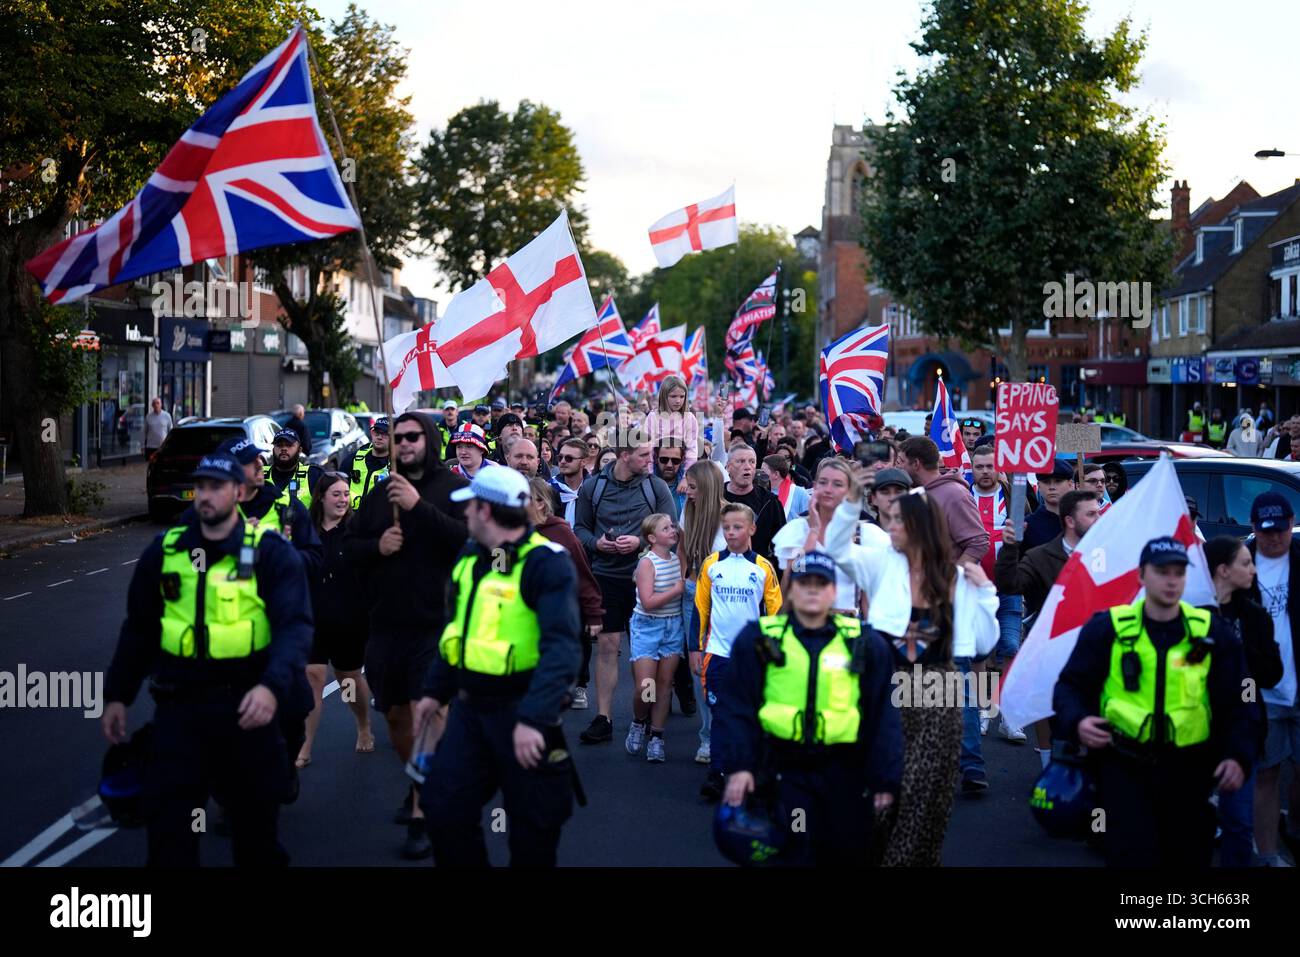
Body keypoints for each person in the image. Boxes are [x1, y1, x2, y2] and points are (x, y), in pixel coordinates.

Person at [101, 451, 313, 866]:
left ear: (238, 491)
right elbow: (140, 628)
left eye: (216, 487)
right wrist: (117, 696)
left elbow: (294, 626)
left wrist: (272, 688)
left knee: (256, 840)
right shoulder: (166, 551)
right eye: (200, 486)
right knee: (168, 837)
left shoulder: (268, 553)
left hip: (248, 710)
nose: (205, 495)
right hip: (180, 711)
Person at [413, 467, 581, 867]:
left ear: (485, 510)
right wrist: (434, 691)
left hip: (522, 711)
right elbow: (457, 631)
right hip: (470, 710)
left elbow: (562, 649)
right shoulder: (472, 558)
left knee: (534, 828)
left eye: (469, 507)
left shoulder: (546, 563)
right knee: (444, 808)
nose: (465, 515)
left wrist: (533, 719)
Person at [1053, 536, 1256, 867]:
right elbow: (1069, 687)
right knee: (1130, 858)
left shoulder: (1212, 633)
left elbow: (1241, 701)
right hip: (1124, 769)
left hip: (1190, 773)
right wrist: (1078, 721)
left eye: (1179, 572)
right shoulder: (1108, 629)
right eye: (1162, 571)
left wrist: (1238, 756)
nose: (1172, 580)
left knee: (1187, 859)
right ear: (1141, 575)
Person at [823, 489, 999, 863]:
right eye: (889, 519)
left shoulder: (955, 576)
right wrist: (852, 501)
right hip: (886, 690)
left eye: (899, 520)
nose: (891, 527)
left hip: (940, 694)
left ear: (920, 526)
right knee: (880, 796)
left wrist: (986, 592)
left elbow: (983, 642)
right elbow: (836, 547)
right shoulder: (881, 563)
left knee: (924, 798)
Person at [714, 551, 903, 867]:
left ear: (833, 591)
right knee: (795, 851)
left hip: (845, 771)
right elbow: (738, 707)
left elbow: (883, 715)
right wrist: (739, 766)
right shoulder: (761, 638)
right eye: (804, 583)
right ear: (792, 589)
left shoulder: (863, 642)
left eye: (821, 583)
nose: (813, 590)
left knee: (847, 853)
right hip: (784, 771)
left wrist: (885, 778)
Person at [343, 412, 468, 859]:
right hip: (385, 624)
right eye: (397, 438)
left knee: (428, 714)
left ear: (430, 440)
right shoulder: (380, 495)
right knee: (395, 717)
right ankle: (420, 780)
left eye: (413, 436)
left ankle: (423, 812)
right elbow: (350, 549)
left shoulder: (453, 490)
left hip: (438, 623)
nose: (404, 443)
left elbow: (469, 541)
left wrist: (418, 507)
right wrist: (377, 547)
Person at [573, 442, 678, 745]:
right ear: (624, 456)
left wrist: (641, 544)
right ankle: (603, 717)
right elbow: (580, 529)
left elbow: (671, 531)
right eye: (644, 455)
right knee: (608, 646)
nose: (651, 460)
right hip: (605, 576)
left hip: (645, 575)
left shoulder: (655, 487)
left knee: (644, 651)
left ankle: (644, 714)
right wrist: (597, 544)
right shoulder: (593, 487)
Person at [997, 490, 1100, 768]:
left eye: (1099, 512)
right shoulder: (1041, 556)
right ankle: (1048, 766)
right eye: (1091, 514)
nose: (1099, 518)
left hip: (1094, 650)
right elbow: (1010, 585)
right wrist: (1009, 548)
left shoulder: (1106, 553)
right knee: (1050, 709)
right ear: (1069, 520)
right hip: (1050, 649)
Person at [690, 502, 783, 799]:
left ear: (752, 529)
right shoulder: (711, 564)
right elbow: (700, 610)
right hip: (717, 654)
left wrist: (772, 654)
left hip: (752, 658)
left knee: (754, 716)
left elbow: (774, 615)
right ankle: (717, 773)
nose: (731, 533)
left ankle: (751, 774)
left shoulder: (763, 568)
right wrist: (695, 647)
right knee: (721, 715)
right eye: (727, 527)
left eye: (738, 527)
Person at [1204, 535, 1282, 867]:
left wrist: (1238, 654)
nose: (1253, 569)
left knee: (1238, 825)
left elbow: (1271, 673)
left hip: (1241, 732)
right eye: (1245, 563)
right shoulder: (1192, 614)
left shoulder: (1254, 616)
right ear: (1223, 570)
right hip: (1195, 731)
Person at [297, 472, 375, 768]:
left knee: (348, 681)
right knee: (313, 678)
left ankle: (363, 723)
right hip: (313, 617)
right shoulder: (307, 530)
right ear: (321, 497)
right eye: (336, 494)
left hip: (350, 618)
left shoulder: (356, 531)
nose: (343, 499)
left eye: (346, 494)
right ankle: (304, 748)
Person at [1243, 493, 1300, 865]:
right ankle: (1265, 854)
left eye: (1280, 530)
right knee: (1266, 774)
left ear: (1291, 522)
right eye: (1266, 532)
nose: (1274, 538)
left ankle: (1294, 831)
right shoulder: (1237, 561)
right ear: (1253, 529)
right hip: (1260, 692)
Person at [527, 478, 604, 710]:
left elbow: (583, 575)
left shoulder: (563, 535)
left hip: (559, 616)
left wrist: (593, 614)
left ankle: (578, 685)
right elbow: (498, 570)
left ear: (541, 503)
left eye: (524, 499)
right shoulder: (511, 534)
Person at [969, 447, 1026, 744]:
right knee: (980, 654)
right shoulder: (964, 496)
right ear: (972, 468)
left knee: (1011, 649)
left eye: (990, 466)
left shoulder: (1014, 497)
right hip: (975, 589)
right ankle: (983, 709)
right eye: (979, 466)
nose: (985, 471)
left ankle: (1009, 716)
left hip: (1008, 587)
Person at [626, 513, 686, 762]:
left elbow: (685, 538)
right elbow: (648, 602)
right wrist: (676, 590)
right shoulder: (647, 563)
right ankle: (639, 721)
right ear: (652, 538)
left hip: (673, 626)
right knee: (645, 687)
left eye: (672, 526)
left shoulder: (676, 558)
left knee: (664, 684)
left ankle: (657, 737)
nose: (672, 530)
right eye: (666, 528)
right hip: (647, 626)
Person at [679, 460, 728, 766]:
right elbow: (683, 547)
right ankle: (708, 738)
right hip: (692, 598)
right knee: (699, 669)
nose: (688, 492)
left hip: (724, 602)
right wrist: (686, 577)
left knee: (721, 666)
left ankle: (726, 734)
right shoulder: (689, 510)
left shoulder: (729, 515)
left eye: (693, 487)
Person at [771, 458, 864, 617]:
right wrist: (813, 532)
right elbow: (790, 584)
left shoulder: (863, 534)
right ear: (814, 487)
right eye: (823, 482)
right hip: (804, 623)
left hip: (847, 627)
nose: (828, 489)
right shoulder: (797, 531)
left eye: (837, 484)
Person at [896, 436, 989, 564]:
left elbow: (978, 544)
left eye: (901, 461)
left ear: (916, 464)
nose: (897, 467)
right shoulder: (912, 493)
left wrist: (952, 578)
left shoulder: (955, 495)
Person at [722, 444, 787, 563]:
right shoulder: (715, 496)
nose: (747, 467)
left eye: (751, 462)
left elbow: (780, 547)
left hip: (758, 574)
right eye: (741, 461)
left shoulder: (770, 502)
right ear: (728, 467)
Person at [643, 375, 700, 486]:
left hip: (681, 468)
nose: (678, 401)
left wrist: (686, 477)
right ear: (664, 396)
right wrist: (649, 475)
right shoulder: (653, 417)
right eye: (673, 396)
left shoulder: (690, 418)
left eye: (682, 396)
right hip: (656, 467)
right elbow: (647, 448)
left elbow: (692, 451)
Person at [1021, 459, 1075, 551]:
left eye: (1058, 481)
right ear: (1039, 486)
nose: (1051, 487)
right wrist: (1010, 545)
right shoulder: (1027, 525)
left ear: (1070, 484)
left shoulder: (1081, 518)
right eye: (1046, 482)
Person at [265, 429, 321, 513]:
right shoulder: (258, 475)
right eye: (279, 445)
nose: (283, 448)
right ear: (273, 449)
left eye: (289, 445)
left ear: (299, 450)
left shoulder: (313, 475)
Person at [348, 416, 390, 508]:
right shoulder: (353, 458)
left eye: (385, 434)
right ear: (372, 433)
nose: (379, 437)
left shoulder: (396, 465)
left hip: (378, 519)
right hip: (352, 517)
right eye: (377, 433)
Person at [549, 437, 590, 526]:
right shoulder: (549, 487)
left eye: (569, 458)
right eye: (560, 457)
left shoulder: (594, 489)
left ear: (583, 462)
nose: (563, 461)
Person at [763, 453, 811, 521]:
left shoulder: (799, 493)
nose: (760, 473)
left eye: (763, 471)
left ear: (776, 474)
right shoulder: (760, 492)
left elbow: (809, 520)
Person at [655, 440, 688, 515]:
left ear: (682, 461)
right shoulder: (645, 484)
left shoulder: (691, 485)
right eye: (664, 459)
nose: (669, 465)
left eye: (675, 460)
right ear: (656, 458)